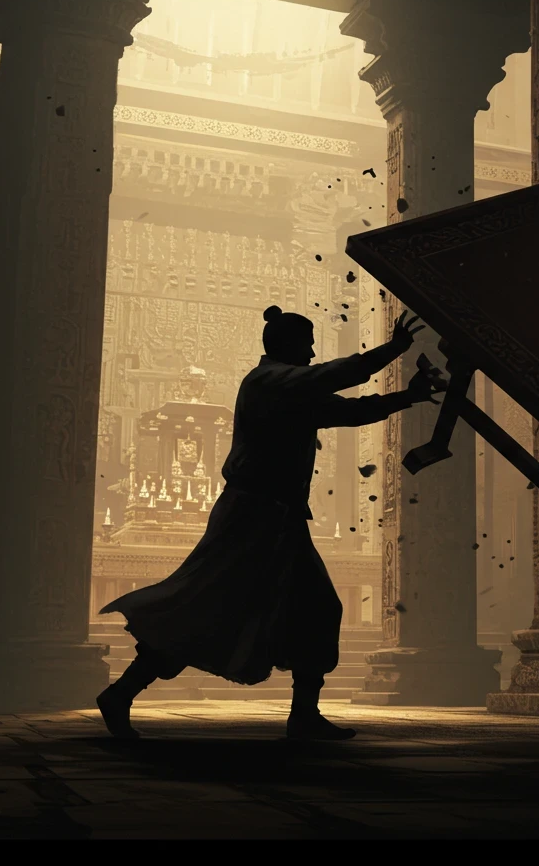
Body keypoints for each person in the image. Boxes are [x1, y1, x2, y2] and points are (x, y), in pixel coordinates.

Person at [96, 305, 444, 741]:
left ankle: (304, 715)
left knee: (317, 608)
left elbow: (349, 412)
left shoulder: (290, 392)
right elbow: (333, 378)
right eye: (308, 342)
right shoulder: (267, 382)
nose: (314, 350)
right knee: (205, 607)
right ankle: (122, 693)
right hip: (251, 516)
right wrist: (393, 349)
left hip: (280, 518)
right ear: (286, 345)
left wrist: (407, 397)